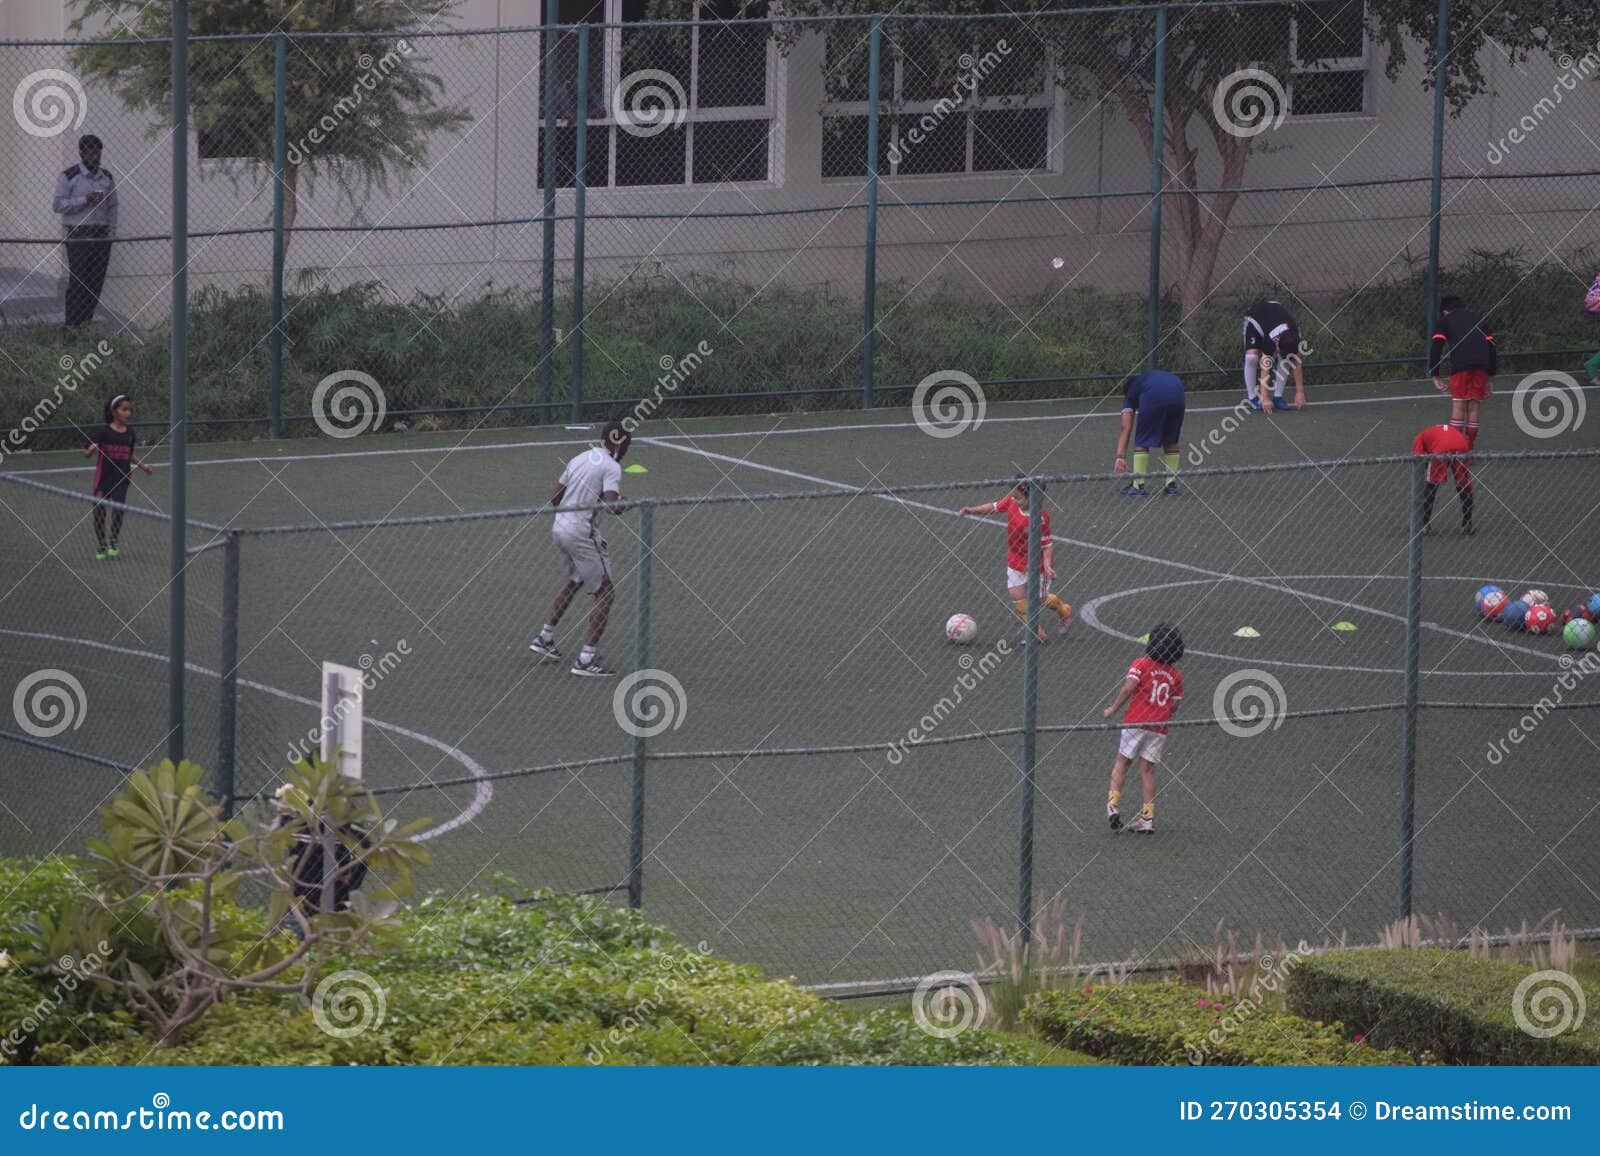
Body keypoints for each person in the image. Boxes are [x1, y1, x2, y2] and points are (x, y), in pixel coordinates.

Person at [531, 420, 632, 676]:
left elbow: (555, 499)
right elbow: (612, 506)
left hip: (559, 528)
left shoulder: (579, 458)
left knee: (575, 581)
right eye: (627, 445)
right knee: (605, 592)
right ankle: (586, 659)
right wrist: (626, 503)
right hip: (581, 533)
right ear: (620, 443)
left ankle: (545, 637)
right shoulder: (611, 467)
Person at [959, 480, 1072, 642]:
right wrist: (972, 510)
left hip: (1037, 564)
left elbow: (1047, 545)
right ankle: (1036, 631)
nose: (1014, 499)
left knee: (1040, 599)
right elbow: (993, 507)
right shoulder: (1012, 502)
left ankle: (1064, 611)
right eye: (1013, 496)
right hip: (1015, 559)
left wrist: (1047, 565)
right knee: (1016, 595)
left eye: (1018, 497)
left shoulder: (1039, 518)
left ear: (1032, 498)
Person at [1101, 623, 1184, 834]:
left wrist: (1112, 708)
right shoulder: (1176, 675)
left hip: (1135, 721)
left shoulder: (1141, 664)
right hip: (1158, 726)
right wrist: (1162, 714)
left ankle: (1112, 806)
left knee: (1122, 762)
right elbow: (1174, 705)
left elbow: (1128, 687)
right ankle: (1147, 818)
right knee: (1147, 770)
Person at [52, 134, 118, 328]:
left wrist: (111, 234)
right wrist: (84, 200)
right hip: (78, 235)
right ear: (81, 153)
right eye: (89, 153)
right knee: (78, 282)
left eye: (96, 153)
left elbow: (113, 206)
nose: (93, 157)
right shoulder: (69, 176)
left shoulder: (107, 177)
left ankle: (85, 327)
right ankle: (72, 327)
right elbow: (58, 205)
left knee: (95, 283)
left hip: (101, 235)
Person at [83, 393, 153, 560]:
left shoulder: (130, 433)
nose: (128, 413)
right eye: (124, 409)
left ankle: (113, 541)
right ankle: (102, 544)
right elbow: (86, 453)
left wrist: (143, 467)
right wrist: (91, 450)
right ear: (114, 411)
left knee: (118, 511)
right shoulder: (104, 432)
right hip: (102, 480)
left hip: (122, 479)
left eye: (129, 410)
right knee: (99, 512)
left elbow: (130, 454)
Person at [1430, 296, 1496, 452]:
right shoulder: (1478, 319)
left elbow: (1436, 346)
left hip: (1461, 366)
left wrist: (1434, 374)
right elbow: (1492, 348)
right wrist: (1489, 377)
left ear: (1445, 311)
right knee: (1473, 407)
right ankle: (1469, 449)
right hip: (1482, 365)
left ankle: (1457, 450)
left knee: (1459, 406)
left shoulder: (1445, 321)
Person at [1114, 367, 1186, 497]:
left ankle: (1138, 487)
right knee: (1171, 440)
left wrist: (1120, 457)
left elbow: (1126, 427)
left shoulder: (1131, 392)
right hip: (1178, 393)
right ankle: (1171, 486)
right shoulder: (1146, 379)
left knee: (1142, 441)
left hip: (1154, 395)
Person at [1242, 299, 1305, 412]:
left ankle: (1278, 397)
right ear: (1277, 343)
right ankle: (1252, 397)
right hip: (1255, 319)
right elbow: (1265, 367)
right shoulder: (1272, 337)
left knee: (1286, 359)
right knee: (1251, 357)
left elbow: (1296, 363)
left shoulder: (1296, 337)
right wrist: (1264, 397)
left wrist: (1300, 392)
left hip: (1274, 320)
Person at [1413, 422, 1475, 535]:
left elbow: (1418, 461)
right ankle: (1467, 524)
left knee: (1431, 485)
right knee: (1463, 484)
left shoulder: (1419, 438)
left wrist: (1427, 467)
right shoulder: (1435, 432)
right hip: (1462, 444)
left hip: (1440, 448)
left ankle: (1424, 525)